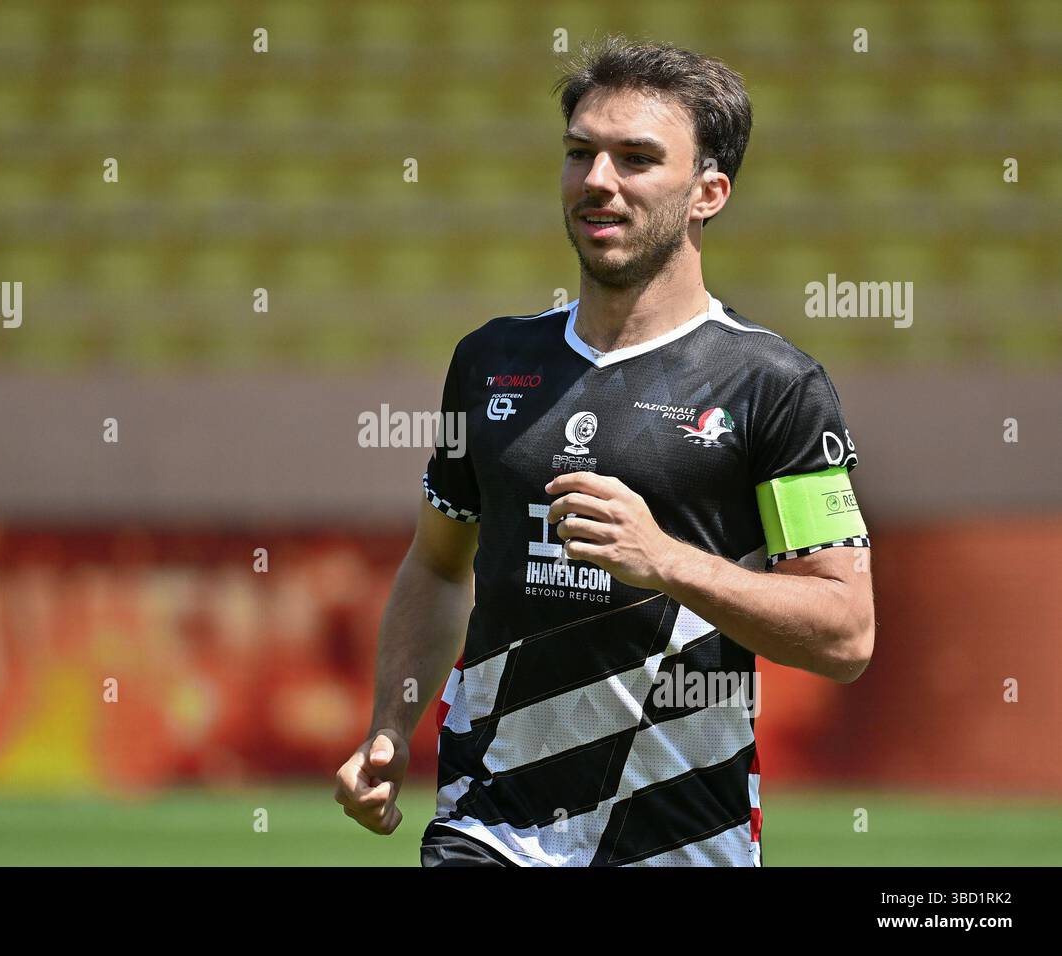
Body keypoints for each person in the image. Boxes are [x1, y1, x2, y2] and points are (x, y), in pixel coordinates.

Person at [334, 37, 873, 867]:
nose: (597, 180)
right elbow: (439, 565)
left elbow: (844, 632)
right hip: (491, 828)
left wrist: (667, 561)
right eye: (580, 153)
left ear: (709, 193)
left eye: (636, 159)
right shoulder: (489, 363)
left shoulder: (774, 386)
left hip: (684, 835)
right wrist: (389, 726)